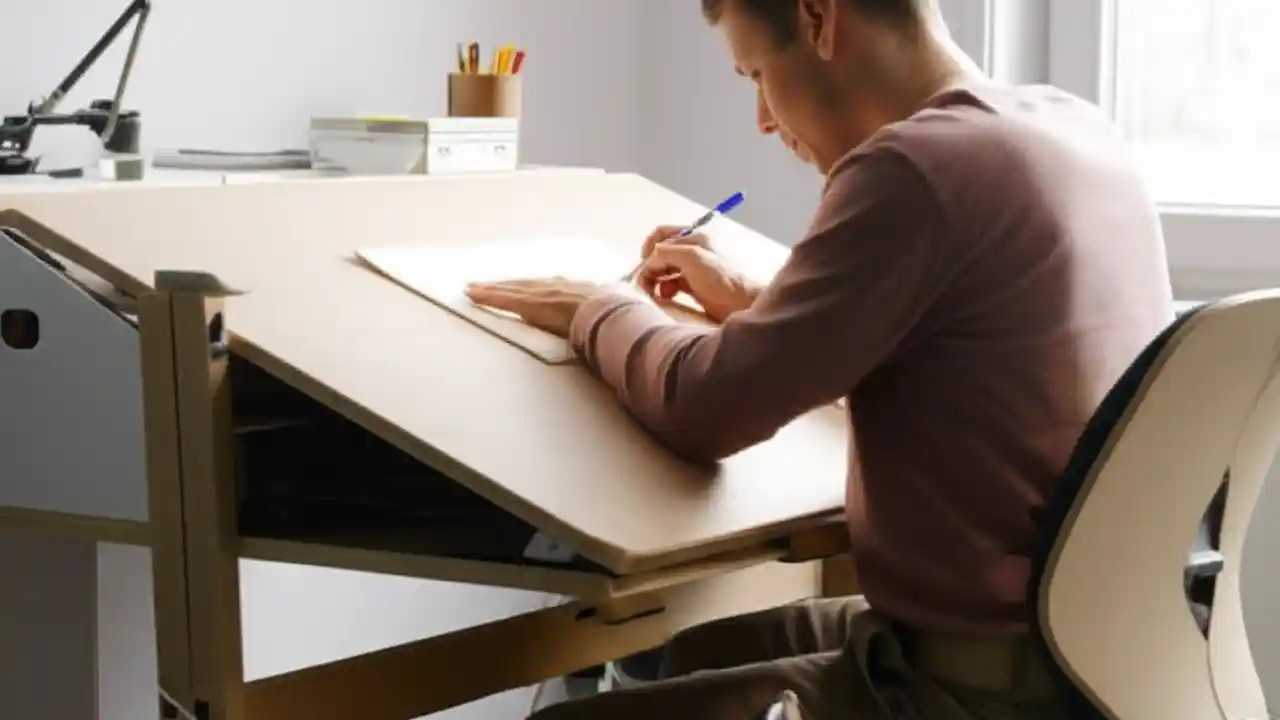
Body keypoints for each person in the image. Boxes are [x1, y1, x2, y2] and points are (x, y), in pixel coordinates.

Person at [467, 0, 1175, 717]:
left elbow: (700, 408)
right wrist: (756, 304)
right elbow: (952, 341)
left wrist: (597, 307)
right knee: (693, 649)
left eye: (756, 75)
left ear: (816, 18)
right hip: (1089, 653)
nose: (765, 121)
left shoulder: (916, 169)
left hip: (972, 687)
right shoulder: (1070, 128)